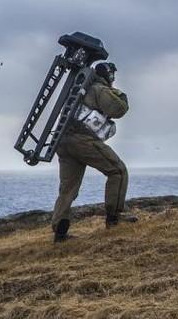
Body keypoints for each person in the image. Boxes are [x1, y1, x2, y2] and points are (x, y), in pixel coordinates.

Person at [51, 61, 135, 242]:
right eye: (112, 75)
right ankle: (114, 219)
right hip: (82, 140)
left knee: (67, 189)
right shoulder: (98, 89)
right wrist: (122, 96)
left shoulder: (77, 89)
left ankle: (60, 233)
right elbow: (118, 109)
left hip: (63, 141)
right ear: (108, 75)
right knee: (118, 171)